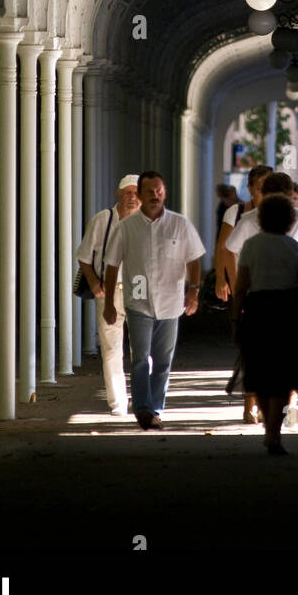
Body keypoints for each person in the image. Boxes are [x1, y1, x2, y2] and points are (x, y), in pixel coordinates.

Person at [103, 171, 205, 431]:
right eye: (149, 191)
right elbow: (112, 264)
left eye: (159, 191)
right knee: (140, 358)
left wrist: (193, 291)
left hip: (171, 304)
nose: (155, 196)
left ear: (165, 193)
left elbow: (194, 259)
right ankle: (143, 409)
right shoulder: (126, 227)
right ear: (139, 194)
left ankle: (156, 407)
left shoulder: (180, 225)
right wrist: (108, 303)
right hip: (138, 302)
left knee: (162, 360)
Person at [226, 172, 298, 427]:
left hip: (257, 308)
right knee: (286, 368)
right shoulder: (297, 246)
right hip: (289, 309)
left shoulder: (251, 242)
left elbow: (241, 284)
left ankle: (264, 420)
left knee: (258, 366)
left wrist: (235, 318)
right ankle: (280, 421)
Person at [75, 174, 141, 415]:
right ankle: (118, 402)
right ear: (118, 194)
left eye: (136, 192)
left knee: (142, 348)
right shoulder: (103, 220)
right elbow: (83, 255)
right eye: (127, 192)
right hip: (108, 290)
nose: (132, 197)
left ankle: (143, 398)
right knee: (111, 348)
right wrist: (93, 282)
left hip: (140, 291)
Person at [214, 164, 271, 423]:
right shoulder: (236, 213)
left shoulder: (283, 215)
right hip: (243, 288)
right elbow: (224, 249)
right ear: (250, 189)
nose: (265, 194)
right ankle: (251, 402)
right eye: (260, 189)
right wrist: (222, 281)